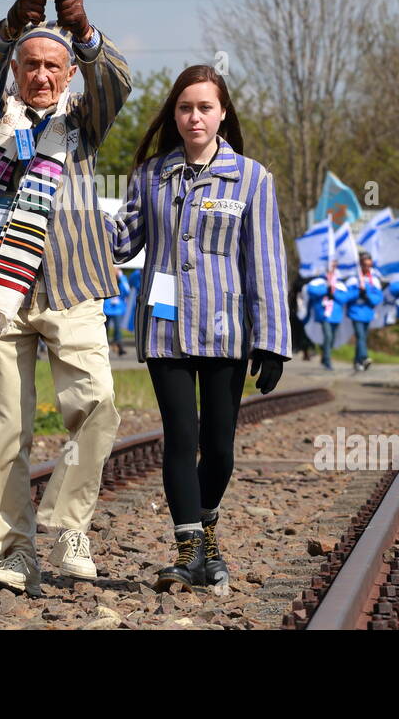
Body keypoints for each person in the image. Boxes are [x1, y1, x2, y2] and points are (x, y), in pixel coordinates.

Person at [0, 0, 127, 596]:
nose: (41, 75)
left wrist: (79, 23)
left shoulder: (81, 124)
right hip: (1, 293)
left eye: (52, 66)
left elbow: (115, 82)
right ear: (17, 70)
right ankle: (16, 554)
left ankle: (67, 525)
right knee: (5, 430)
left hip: (72, 285)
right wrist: (17, 20)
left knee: (98, 407)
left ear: (68, 74)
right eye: (30, 64)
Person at [107, 64, 290, 592]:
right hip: (165, 329)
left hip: (225, 330)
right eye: (185, 108)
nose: (194, 117)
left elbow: (267, 262)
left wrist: (271, 342)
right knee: (180, 438)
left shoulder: (252, 178)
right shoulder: (150, 176)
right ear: (175, 114)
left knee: (221, 446)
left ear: (222, 113)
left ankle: (206, 530)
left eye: (205, 107)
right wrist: (74, 211)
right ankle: (191, 550)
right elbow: (123, 242)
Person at [341, 252, 383, 373]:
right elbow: (345, 297)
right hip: (355, 312)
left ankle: (357, 361)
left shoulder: (374, 281)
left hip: (368, 313)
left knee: (362, 338)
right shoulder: (353, 280)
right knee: (360, 336)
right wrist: (357, 293)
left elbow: (378, 299)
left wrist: (366, 295)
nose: (366, 267)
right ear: (360, 265)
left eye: (369, 265)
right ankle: (364, 358)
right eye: (364, 265)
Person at [305, 263, 347, 370]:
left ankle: (324, 354)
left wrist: (334, 293)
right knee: (328, 336)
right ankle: (328, 361)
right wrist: (326, 289)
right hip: (324, 315)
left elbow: (345, 298)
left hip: (336, 315)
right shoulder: (319, 282)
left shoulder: (340, 284)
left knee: (331, 339)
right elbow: (311, 291)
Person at [102, 266, 129, 357]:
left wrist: (121, 276)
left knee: (118, 329)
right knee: (104, 329)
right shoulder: (105, 277)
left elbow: (127, 291)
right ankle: (103, 347)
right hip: (106, 308)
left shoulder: (122, 279)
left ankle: (118, 346)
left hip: (118, 309)